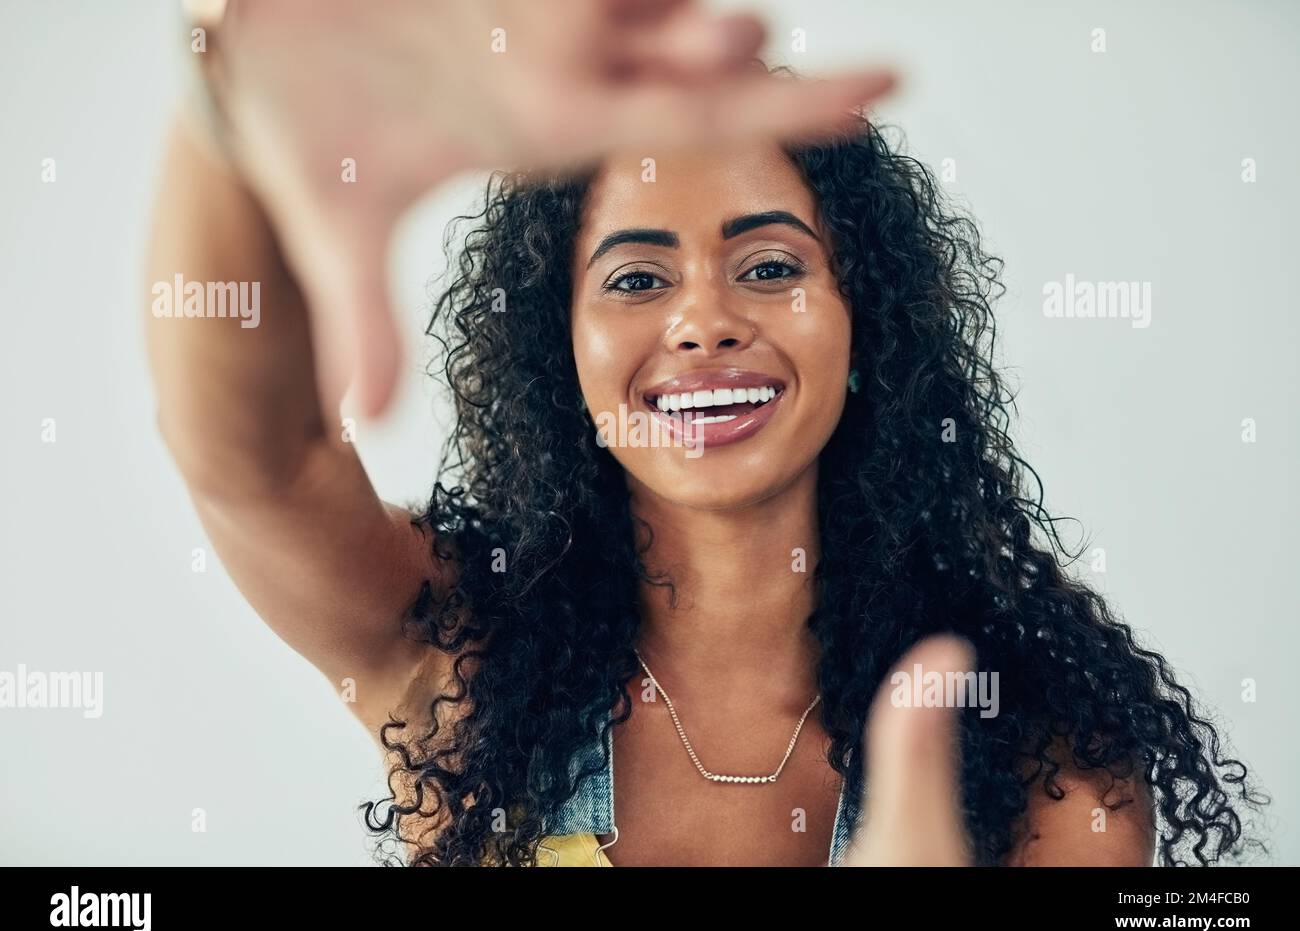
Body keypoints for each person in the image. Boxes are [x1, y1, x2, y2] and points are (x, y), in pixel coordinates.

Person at [146, 0, 1261, 866]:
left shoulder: (1048, 768)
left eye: (770, 266)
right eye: (636, 277)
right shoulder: (448, 652)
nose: (703, 321)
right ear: (559, 349)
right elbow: (254, 461)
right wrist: (230, 118)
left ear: (862, 321)